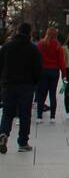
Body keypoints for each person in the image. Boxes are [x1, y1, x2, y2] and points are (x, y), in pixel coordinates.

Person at [0, 21, 41, 153]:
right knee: (25, 114)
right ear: (29, 33)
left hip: (8, 85)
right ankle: (22, 142)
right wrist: (34, 83)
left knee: (7, 113)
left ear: (17, 31)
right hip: (26, 86)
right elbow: (38, 69)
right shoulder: (33, 49)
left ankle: (3, 134)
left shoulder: (6, 47)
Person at [35, 25, 65, 124]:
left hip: (42, 71)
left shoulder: (40, 44)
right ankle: (52, 116)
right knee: (52, 94)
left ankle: (39, 116)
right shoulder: (57, 45)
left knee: (41, 95)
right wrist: (64, 75)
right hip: (54, 71)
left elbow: (37, 59)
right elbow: (61, 61)